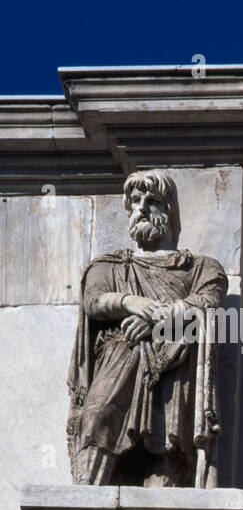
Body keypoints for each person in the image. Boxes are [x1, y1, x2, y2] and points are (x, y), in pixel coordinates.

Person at [68, 170, 228, 486]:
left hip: (173, 365)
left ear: (170, 209)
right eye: (135, 201)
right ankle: (82, 498)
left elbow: (209, 302)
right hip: (118, 356)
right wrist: (131, 302)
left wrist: (156, 320)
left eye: (151, 200)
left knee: (167, 446)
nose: (140, 208)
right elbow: (93, 300)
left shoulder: (201, 268)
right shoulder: (110, 265)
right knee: (97, 419)